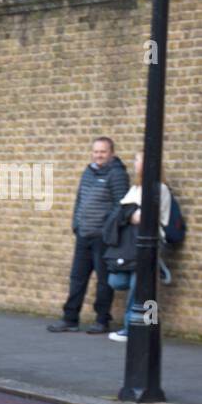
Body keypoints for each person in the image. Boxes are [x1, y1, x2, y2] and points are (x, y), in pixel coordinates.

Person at [48, 136, 128, 334]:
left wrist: (107, 229)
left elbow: (121, 205)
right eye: (96, 151)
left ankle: (102, 320)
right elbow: (79, 199)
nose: (98, 155)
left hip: (102, 238)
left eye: (103, 151)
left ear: (112, 153)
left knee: (103, 280)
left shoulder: (117, 174)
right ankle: (70, 319)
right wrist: (76, 223)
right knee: (77, 278)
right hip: (84, 234)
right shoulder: (88, 171)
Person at [103, 152, 174, 344]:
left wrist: (130, 212)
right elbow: (122, 212)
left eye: (139, 160)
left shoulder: (160, 189)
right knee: (118, 281)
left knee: (139, 289)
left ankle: (132, 329)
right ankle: (145, 323)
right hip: (130, 245)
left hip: (149, 245)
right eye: (136, 160)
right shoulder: (136, 188)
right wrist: (129, 212)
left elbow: (141, 217)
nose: (135, 164)